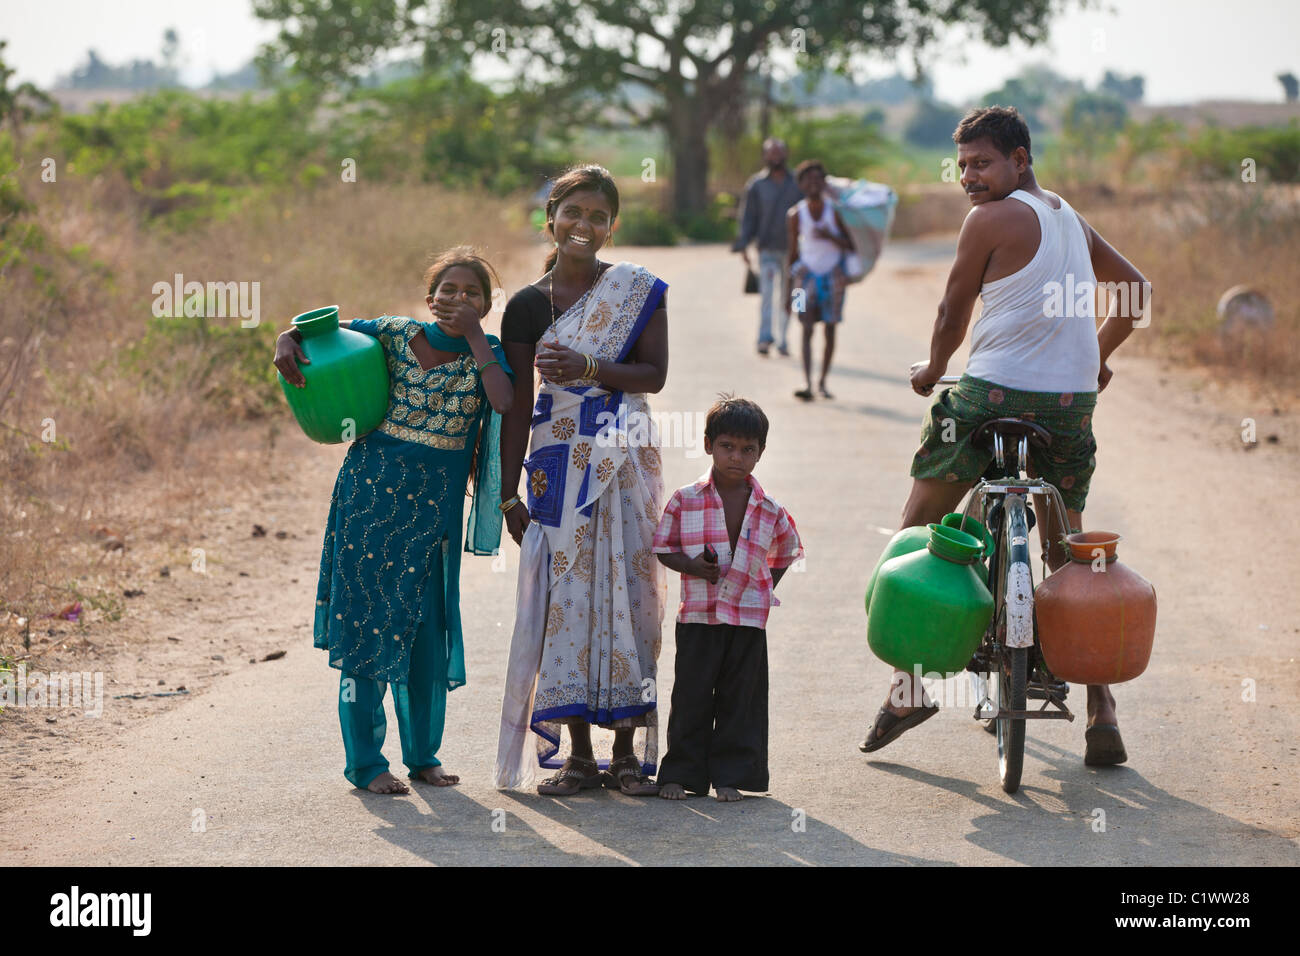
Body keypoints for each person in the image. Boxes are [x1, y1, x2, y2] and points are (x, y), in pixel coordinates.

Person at [859, 106, 1151, 767]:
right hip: (1069, 408)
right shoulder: (1068, 216)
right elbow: (1135, 291)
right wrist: (1099, 360)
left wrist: (932, 371)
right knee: (1072, 549)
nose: (969, 177)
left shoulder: (988, 219)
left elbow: (950, 311)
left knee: (921, 521)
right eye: (961, 166)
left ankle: (910, 686)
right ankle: (1102, 707)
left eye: (981, 163)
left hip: (988, 397)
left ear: (1021, 159)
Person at [274, 248, 515, 794]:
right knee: (366, 625)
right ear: (429, 298)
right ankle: (366, 764)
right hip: (368, 503)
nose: (458, 300)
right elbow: (317, 331)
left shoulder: (490, 356)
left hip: (432, 516)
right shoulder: (389, 334)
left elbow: (502, 402)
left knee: (425, 632)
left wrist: (478, 339)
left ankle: (423, 756)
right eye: (447, 291)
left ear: (487, 304)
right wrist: (285, 340)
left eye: (471, 293)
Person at [494, 164, 670, 796]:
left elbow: (654, 374)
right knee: (564, 602)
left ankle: (627, 753)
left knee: (630, 591)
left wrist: (590, 364)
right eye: (574, 213)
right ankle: (578, 756)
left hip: (624, 457)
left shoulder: (636, 289)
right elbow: (516, 404)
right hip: (556, 462)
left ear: (611, 226)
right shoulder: (526, 305)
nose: (584, 226)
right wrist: (507, 492)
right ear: (551, 217)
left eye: (598, 217)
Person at [652, 396, 803, 802]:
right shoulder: (687, 499)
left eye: (747, 450)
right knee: (691, 695)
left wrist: (761, 583)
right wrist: (693, 566)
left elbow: (788, 550)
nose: (737, 457)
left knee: (743, 698)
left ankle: (732, 776)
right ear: (708, 445)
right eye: (727, 447)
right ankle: (681, 774)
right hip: (699, 617)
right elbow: (663, 547)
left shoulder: (770, 509)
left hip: (748, 620)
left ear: (761, 453)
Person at [786, 160, 856, 401]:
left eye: (818, 179)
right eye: (808, 179)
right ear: (801, 184)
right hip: (804, 278)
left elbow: (850, 244)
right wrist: (788, 294)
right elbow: (792, 253)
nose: (813, 183)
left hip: (832, 276)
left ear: (824, 183)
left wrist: (829, 236)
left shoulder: (834, 212)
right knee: (804, 327)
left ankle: (823, 382)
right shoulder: (796, 214)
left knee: (830, 327)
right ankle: (807, 383)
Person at [732, 138, 804, 357]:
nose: (776, 157)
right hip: (766, 249)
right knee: (767, 295)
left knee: (793, 296)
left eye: (779, 152)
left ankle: (784, 339)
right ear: (765, 156)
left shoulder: (797, 183)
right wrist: (743, 245)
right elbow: (748, 217)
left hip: (795, 252)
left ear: (786, 154)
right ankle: (764, 338)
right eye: (771, 153)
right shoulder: (756, 184)